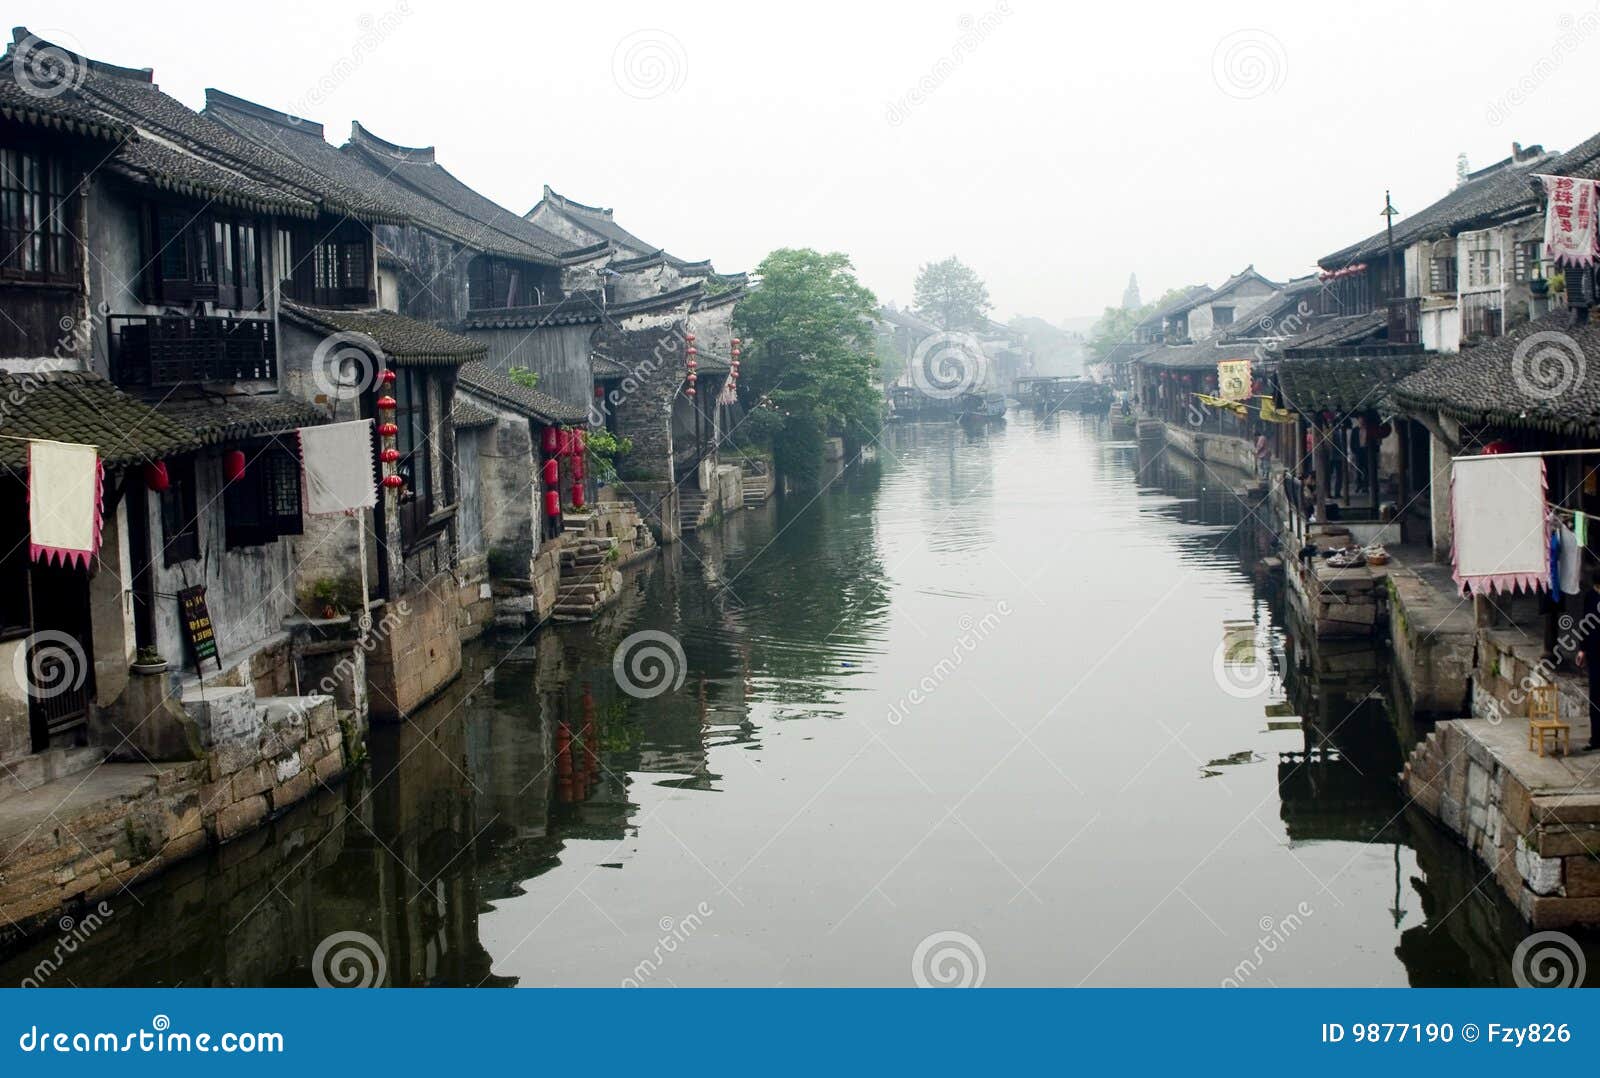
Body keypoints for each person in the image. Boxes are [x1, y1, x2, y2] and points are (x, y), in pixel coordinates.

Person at [1577, 566, 1600, 751]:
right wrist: (1582, 649)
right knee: (1596, 696)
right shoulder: (1591, 597)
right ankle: (1596, 738)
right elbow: (1585, 623)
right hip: (1595, 651)